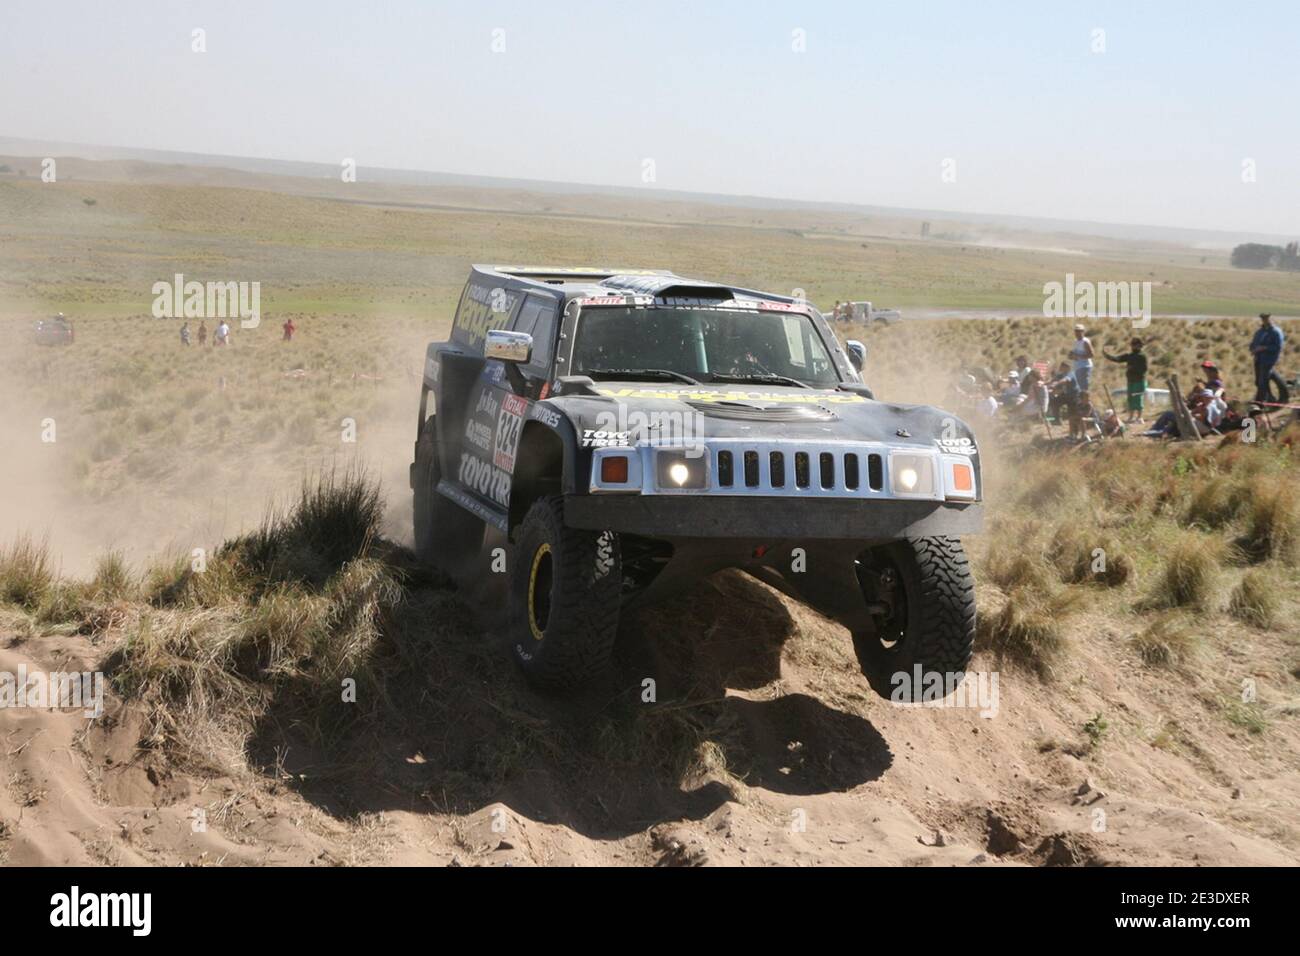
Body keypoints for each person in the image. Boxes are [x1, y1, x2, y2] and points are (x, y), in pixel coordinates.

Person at [1103, 337, 1149, 424]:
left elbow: (1144, 369)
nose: (1133, 347)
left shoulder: (1142, 357)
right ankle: (1131, 417)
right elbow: (1117, 359)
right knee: (1131, 399)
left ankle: (1139, 417)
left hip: (1139, 381)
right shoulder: (1129, 356)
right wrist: (1107, 355)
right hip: (1131, 380)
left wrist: (1132, 368)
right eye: (1133, 345)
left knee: (1138, 398)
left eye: (1135, 345)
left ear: (1139, 346)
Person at [1249, 313, 1285, 405]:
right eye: (1263, 319)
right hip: (1258, 359)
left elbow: (1277, 347)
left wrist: (1264, 348)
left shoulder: (1276, 332)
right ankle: (1271, 398)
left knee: (1262, 382)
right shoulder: (1260, 331)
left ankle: (1258, 403)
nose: (1265, 321)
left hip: (1268, 360)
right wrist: (1253, 348)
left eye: (1267, 318)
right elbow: (1254, 343)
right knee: (1258, 381)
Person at [1069, 324, 1095, 392]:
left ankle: (1085, 401)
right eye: (1076, 331)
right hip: (1078, 367)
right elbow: (1074, 354)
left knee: (1084, 387)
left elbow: (1091, 354)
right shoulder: (1075, 341)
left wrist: (1078, 356)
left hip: (1084, 366)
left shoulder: (1085, 341)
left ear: (1083, 332)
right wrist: (1071, 355)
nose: (1077, 332)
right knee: (1079, 387)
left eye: (1079, 331)